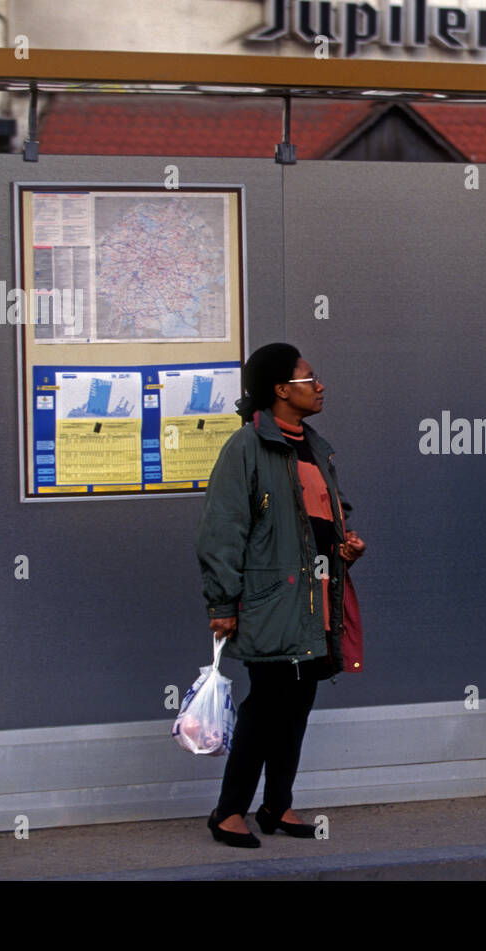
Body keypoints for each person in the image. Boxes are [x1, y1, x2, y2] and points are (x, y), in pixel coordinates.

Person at [196, 343, 365, 847]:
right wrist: (223, 603)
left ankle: (277, 805)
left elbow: (328, 514)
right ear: (279, 390)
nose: (320, 386)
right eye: (309, 378)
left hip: (317, 601)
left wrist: (345, 544)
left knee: (297, 706)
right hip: (273, 601)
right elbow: (221, 531)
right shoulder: (246, 447)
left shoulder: (316, 447)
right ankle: (228, 812)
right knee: (266, 706)